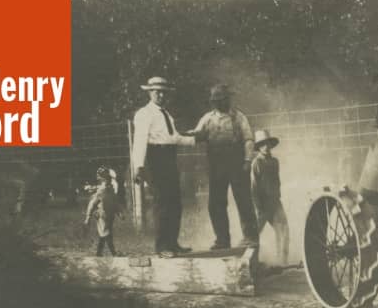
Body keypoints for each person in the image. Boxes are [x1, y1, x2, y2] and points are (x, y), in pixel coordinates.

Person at [185, 84, 259, 250]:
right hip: (217, 165)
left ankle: (251, 238)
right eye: (216, 101)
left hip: (237, 163)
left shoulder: (238, 117)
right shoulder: (207, 118)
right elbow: (197, 133)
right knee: (216, 203)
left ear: (228, 99)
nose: (220, 103)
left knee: (244, 200)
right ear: (213, 102)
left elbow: (248, 139)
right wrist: (185, 135)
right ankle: (222, 240)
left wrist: (247, 160)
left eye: (223, 100)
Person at [131, 76, 196, 258]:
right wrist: (139, 166)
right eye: (156, 91)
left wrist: (196, 139)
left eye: (163, 92)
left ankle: (173, 243)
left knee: (175, 201)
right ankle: (162, 247)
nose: (160, 95)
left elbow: (174, 137)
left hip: (169, 157)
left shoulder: (166, 114)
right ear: (149, 93)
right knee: (162, 202)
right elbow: (139, 141)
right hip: (154, 158)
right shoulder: (144, 114)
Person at [249, 130, 289, 265]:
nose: (265, 147)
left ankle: (282, 263)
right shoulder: (256, 163)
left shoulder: (274, 162)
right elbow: (254, 187)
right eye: (262, 144)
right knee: (253, 235)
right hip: (261, 204)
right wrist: (258, 207)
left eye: (267, 144)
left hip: (275, 203)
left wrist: (277, 197)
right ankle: (250, 262)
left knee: (283, 229)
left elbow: (277, 181)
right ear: (259, 147)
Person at [85, 167, 124, 257]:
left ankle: (99, 253)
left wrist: (120, 213)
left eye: (109, 179)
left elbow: (115, 203)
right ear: (102, 180)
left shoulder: (111, 191)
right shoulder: (100, 191)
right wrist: (88, 217)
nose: (108, 181)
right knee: (107, 234)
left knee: (103, 234)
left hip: (110, 216)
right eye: (106, 179)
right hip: (101, 216)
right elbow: (92, 204)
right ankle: (114, 253)